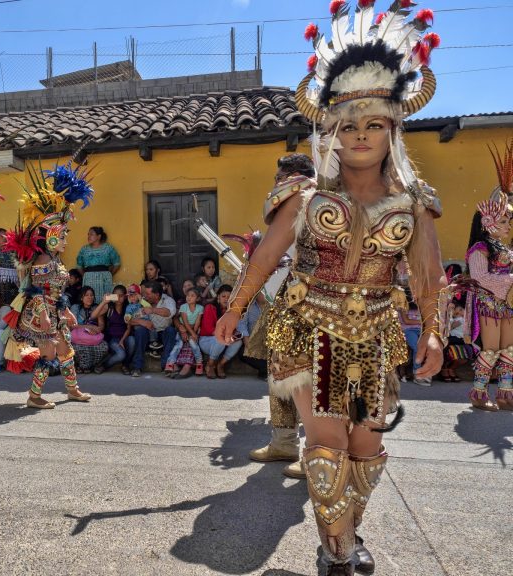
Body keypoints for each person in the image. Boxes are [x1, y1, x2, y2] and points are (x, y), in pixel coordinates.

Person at [216, 5, 444, 573]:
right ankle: (340, 548)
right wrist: (235, 308)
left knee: (366, 449)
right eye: (348, 125)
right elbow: (266, 257)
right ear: (330, 132)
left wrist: (435, 333)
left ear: (394, 129)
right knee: (325, 446)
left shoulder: (415, 202)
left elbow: (427, 276)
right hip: (308, 324)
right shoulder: (304, 193)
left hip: (374, 334)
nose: (360, 136)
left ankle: (340, 534)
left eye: (374, 124)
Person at [245, 154, 315, 480]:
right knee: (279, 368)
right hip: (289, 293)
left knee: (311, 373)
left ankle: (319, 451)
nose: (275, 184)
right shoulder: (293, 208)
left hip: (319, 299)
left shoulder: (316, 202)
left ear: (295, 177)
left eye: (279, 178)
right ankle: (284, 440)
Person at [3, 163, 94, 409]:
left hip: (55, 312)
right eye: (62, 235)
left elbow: (57, 290)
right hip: (41, 314)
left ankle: (73, 390)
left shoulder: (54, 259)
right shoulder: (43, 259)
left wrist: (65, 309)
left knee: (65, 350)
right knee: (49, 354)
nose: (66, 239)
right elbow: (35, 291)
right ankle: (34, 396)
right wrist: (44, 315)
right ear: (50, 236)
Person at [465, 151, 513, 410]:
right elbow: (480, 277)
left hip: (505, 304)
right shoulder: (480, 248)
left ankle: (506, 394)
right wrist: (510, 280)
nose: (508, 226)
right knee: (491, 350)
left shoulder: (504, 250)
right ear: (488, 222)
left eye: (509, 221)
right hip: (488, 305)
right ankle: (479, 394)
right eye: (504, 221)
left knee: (510, 349)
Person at [128, 280, 176, 377]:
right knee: (140, 331)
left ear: (157, 295)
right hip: (148, 334)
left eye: (148, 294)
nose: (145, 296)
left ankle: (166, 366)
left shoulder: (168, 300)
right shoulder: (141, 302)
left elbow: (169, 312)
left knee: (171, 331)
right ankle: (137, 367)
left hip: (163, 333)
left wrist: (152, 310)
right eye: (144, 293)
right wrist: (142, 322)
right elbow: (129, 320)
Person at [199, 285, 243, 378]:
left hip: (223, 342)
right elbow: (208, 329)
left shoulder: (233, 312)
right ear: (218, 297)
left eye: (229, 297)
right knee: (221, 338)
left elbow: (235, 329)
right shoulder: (210, 307)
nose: (226, 299)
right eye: (223, 296)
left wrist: (235, 335)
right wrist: (226, 335)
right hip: (207, 341)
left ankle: (220, 365)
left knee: (238, 342)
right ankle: (210, 365)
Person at [93, 285, 135, 374]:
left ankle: (125, 365)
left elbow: (129, 328)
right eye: (116, 296)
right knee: (121, 355)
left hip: (125, 336)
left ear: (125, 296)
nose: (119, 298)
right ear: (112, 296)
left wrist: (122, 341)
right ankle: (103, 365)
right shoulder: (109, 307)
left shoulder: (128, 307)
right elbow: (93, 316)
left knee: (132, 340)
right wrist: (104, 302)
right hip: (112, 338)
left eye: (121, 296)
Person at [165, 287, 204, 376]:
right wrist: (191, 333)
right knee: (178, 345)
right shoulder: (183, 307)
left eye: (192, 296)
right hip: (183, 330)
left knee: (193, 344)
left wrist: (193, 334)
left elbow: (198, 322)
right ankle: (170, 362)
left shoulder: (200, 308)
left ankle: (199, 363)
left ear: (197, 299)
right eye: (187, 295)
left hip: (193, 330)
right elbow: (185, 322)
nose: (189, 297)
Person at [69, 286, 108, 373]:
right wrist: (89, 327)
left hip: (92, 337)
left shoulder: (96, 308)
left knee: (103, 347)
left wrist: (97, 330)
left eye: (91, 295)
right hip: (78, 338)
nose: (89, 297)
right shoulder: (76, 307)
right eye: (86, 295)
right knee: (77, 348)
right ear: (82, 297)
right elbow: (72, 326)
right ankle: (81, 366)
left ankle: (90, 366)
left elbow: (101, 326)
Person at [76, 226, 121, 303]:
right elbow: (79, 265)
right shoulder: (84, 249)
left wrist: (110, 274)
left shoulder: (108, 248)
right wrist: (85, 276)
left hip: (105, 278)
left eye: (91, 234)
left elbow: (117, 263)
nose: (88, 236)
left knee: (106, 299)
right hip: (88, 279)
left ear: (99, 236)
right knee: (89, 300)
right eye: (88, 234)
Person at [441, 300, 473, 382]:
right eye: (456, 311)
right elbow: (448, 330)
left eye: (461, 310)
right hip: (452, 339)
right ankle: (444, 369)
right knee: (447, 351)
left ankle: (451, 368)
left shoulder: (466, 320)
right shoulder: (454, 320)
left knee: (466, 355)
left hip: (462, 340)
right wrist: (450, 318)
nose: (459, 313)